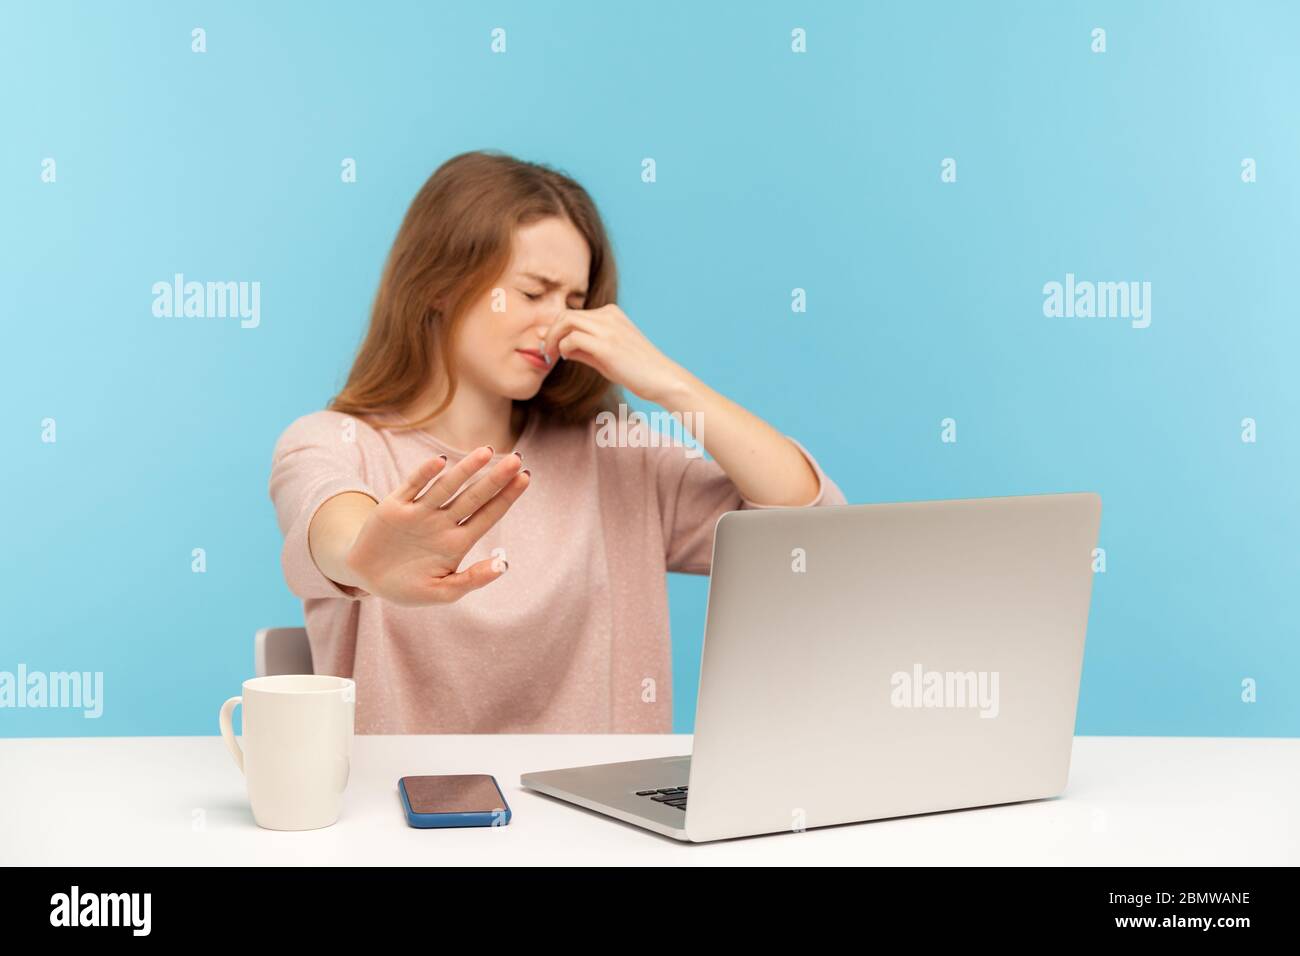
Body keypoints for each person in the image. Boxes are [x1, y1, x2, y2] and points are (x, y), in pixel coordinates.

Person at [268, 150, 846, 734]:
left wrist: (669, 383)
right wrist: (372, 556)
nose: (557, 326)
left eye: (575, 301)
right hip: (403, 818)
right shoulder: (335, 442)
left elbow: (811, 526)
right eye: (532, 292)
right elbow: (333, 526)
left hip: (604, 820)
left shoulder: (616, 454)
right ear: (440, 286)